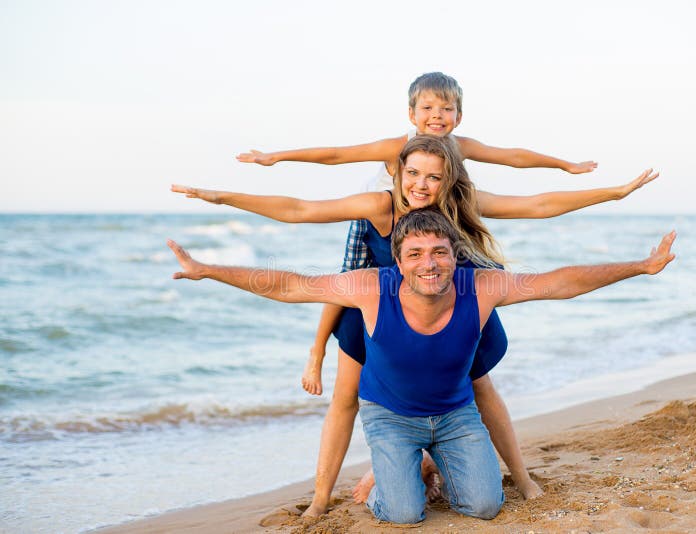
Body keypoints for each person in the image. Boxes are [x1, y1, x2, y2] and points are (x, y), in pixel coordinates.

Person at [172, 134, 658, 513]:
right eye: (414, 173)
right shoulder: (381, 207)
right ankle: (335, 491)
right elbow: (300, 225)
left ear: (449, 180)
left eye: (434, 176)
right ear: (398, 171)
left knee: (477, 392)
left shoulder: (463, 209)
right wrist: (222, 203)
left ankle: (508, 474)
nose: (421, 185)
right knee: (350, 398)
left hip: (453, 310)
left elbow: (541, 220)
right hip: (381, 313)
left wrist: (614, 197)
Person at [236, 72, 598, 397]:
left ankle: (452, 373)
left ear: (459, 115)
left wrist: (565, 165)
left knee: (481, 275)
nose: (437, 115)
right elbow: (336, 155)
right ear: (412, 114)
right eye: (428, 107)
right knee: (347, 279)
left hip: (431, 228)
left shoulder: (460, 146)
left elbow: (514, 157)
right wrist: (277, 157)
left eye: (447, 108)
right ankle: (316, 351)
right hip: (380, 220)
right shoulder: (397, 147)